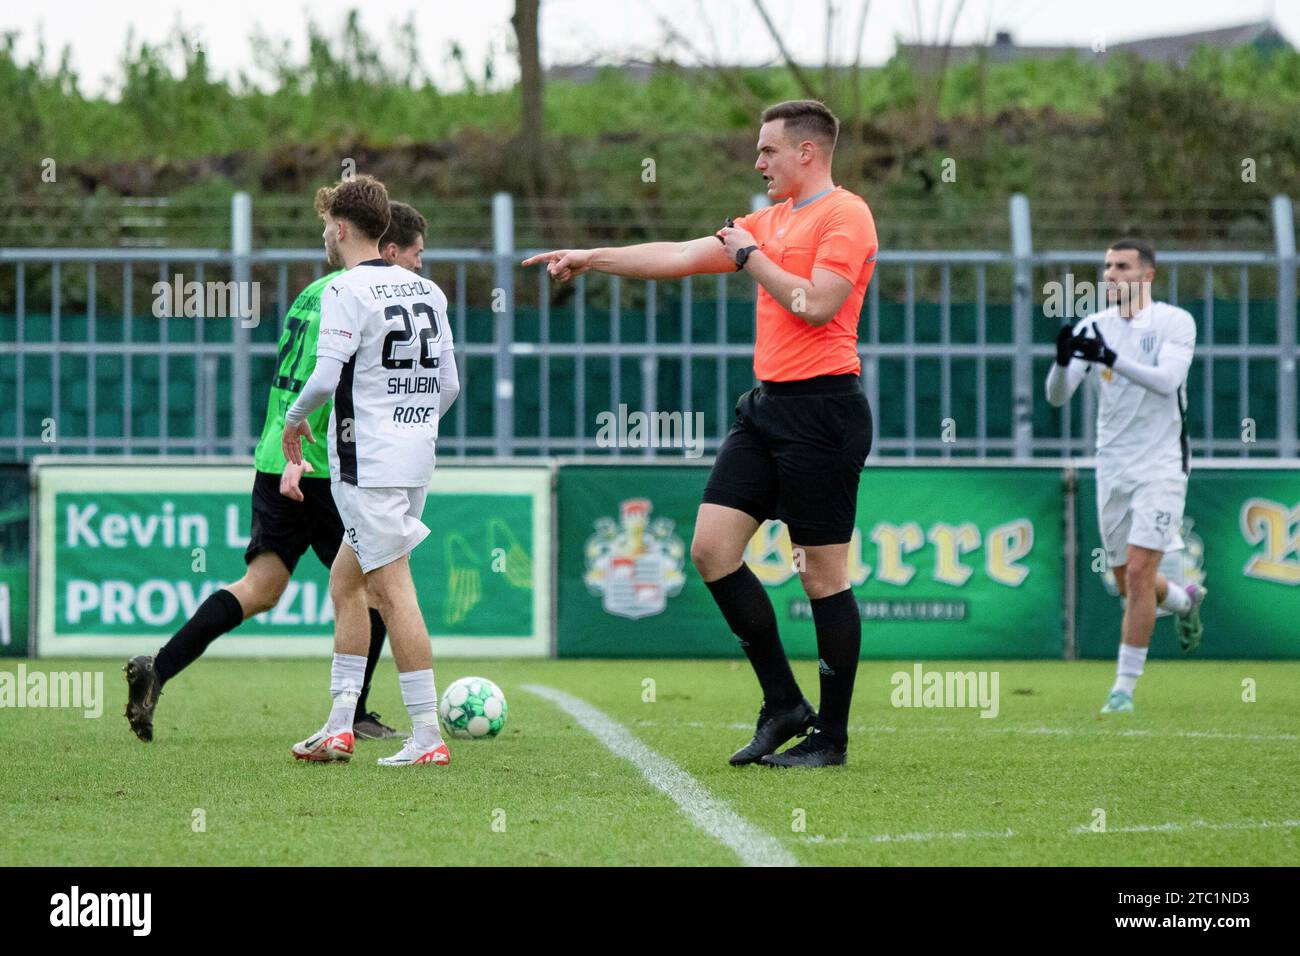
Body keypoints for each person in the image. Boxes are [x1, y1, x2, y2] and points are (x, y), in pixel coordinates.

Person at [524, 100, 876, 767]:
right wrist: (593, 256)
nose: (758, 161)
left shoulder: (846, 214)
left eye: (768, 149)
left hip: (824, 412)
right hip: (766, 409)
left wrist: (750, 259)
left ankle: (831, 738)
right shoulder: (767, 222)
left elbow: (817, 305)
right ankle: (784, 704)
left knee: (821, 575)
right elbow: (682, 255)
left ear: (808, 152)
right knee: (712, 549)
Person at [124, 200, 432, 743]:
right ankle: (355, 714)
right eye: (414, 257)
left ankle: (159, 669)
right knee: (379, 585)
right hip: (316, 461)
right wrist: (302, 462)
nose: (417, 268)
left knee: (262, 587)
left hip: (275, 456)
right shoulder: (355, 298)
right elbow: (326, 380)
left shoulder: (316, 293)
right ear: (387, 249)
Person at [284, 174, 458, 766]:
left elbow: (326, 378)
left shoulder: (344, 290)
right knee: (346, 582)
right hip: (414, 461)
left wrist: (293, 418)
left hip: (367, 462)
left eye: (326, 227)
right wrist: (410, 424)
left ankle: (428, 735)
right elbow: (450, 385)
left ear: (338, 228)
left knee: (392, 589)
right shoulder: (425, 290)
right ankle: (339, 723)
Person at [1045, 238, 1207, 715]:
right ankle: (1183, 600)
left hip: (1162, 465)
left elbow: (1167, 382)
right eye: (1107, 266)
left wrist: (1110, 358)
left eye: (1122, 266)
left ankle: (1123, 689)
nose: (1111, 274)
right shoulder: (1095, 325)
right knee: (1124, 581)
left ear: (1148, 275)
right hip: (1112, 465)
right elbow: (1058, 397)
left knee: (1139, 573)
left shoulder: (1175, 322)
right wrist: (1061, 360)